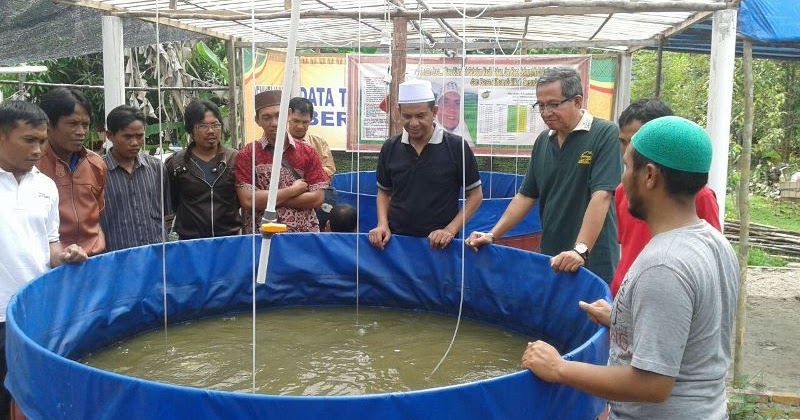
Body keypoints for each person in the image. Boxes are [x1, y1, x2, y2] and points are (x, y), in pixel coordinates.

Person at [522, 116, 739, 418]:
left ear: (649, 176)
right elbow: (695, 334)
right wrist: (621, 320)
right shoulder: (715, 243)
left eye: (625, 167)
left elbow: (652, 385)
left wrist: (559, 368)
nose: (620, 179)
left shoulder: (663, 265)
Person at [467, 67, 621, 284]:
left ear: (577, 101)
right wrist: (492, 234)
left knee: (591, 314)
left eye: (554, 104)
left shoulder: (604, 133)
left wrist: (580, 250)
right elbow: (526, 195)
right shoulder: (543, 141)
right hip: (552, 252)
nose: (546, 112)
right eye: (541, 105)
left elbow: (602, 196)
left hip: (592, 256)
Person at [0, 101, 88, 419]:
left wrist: (65, 255)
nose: (38, 150)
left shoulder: (45, 186)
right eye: (28, 140)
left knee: (29, 399)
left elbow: (50, 244)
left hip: (33, 312)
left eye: (41, 140)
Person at [611, 99, 721, 297]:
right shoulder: (623, 191)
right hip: (623, 296)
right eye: (623, 142)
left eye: (636, 140)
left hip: (663, 295)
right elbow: (626, 247)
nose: (628, 150)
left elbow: (708, 259)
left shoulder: (700, 197)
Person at [369, 79, 483, 250]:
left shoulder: (456, 147)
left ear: (434, 111)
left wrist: (450, 230)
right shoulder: (390, 147)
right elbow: (384, 192)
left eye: (421, 116)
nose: (413, 123)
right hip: (397, 246)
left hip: (441, 247)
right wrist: (382, 224)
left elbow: (475, 195)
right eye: (407, 116)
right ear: (399, 112)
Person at [235, 90, 329, 233]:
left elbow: (317, 198)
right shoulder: (248, 154)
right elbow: (248, 201)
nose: (274, 123)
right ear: (257, 121)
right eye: (266, 117)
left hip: (301, 238)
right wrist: (292, 191)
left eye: (279, 115)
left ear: (289, 114)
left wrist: (266, 199)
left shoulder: (308, 152)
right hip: (263, 237)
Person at [37, 87, 107, 256]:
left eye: (85, 125)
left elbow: (98, 214)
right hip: (52, 262)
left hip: (92, 259)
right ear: (48, 125)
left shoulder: (96, 164)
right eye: (73, 124)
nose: (81, 132)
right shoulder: (33, 166)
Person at [100, 105, 172, 251]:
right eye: (127, 136)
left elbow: (166, 214)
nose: (134, 143)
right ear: (110, 136)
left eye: (139, 136)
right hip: (117, 259)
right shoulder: (97, 171)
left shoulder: (156, 167)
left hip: (157, 256)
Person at [165, 99, 240, 239]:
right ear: (191, 130)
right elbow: (173, 201)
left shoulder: (234, 159)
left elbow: (241, 200)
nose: (211, 131)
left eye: (215, 125)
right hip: (191, 242)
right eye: (203, 126)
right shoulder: (176, 163)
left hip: (229, 239)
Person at [287, 96, 338, 228]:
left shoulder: (319, 142)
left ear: (311, 120)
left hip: (316, 199)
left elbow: (329, 170)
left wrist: (305, 182)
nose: (300, 126)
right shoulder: (276, 143)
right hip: (286, 201)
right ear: (287, 116)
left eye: (305, 122)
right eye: (295, 121)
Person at [437, 80, 474, 146]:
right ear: (437, 108)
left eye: (457, 103)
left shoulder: (462, 128)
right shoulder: (428, 135)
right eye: (446, 102)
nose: (452, 109)